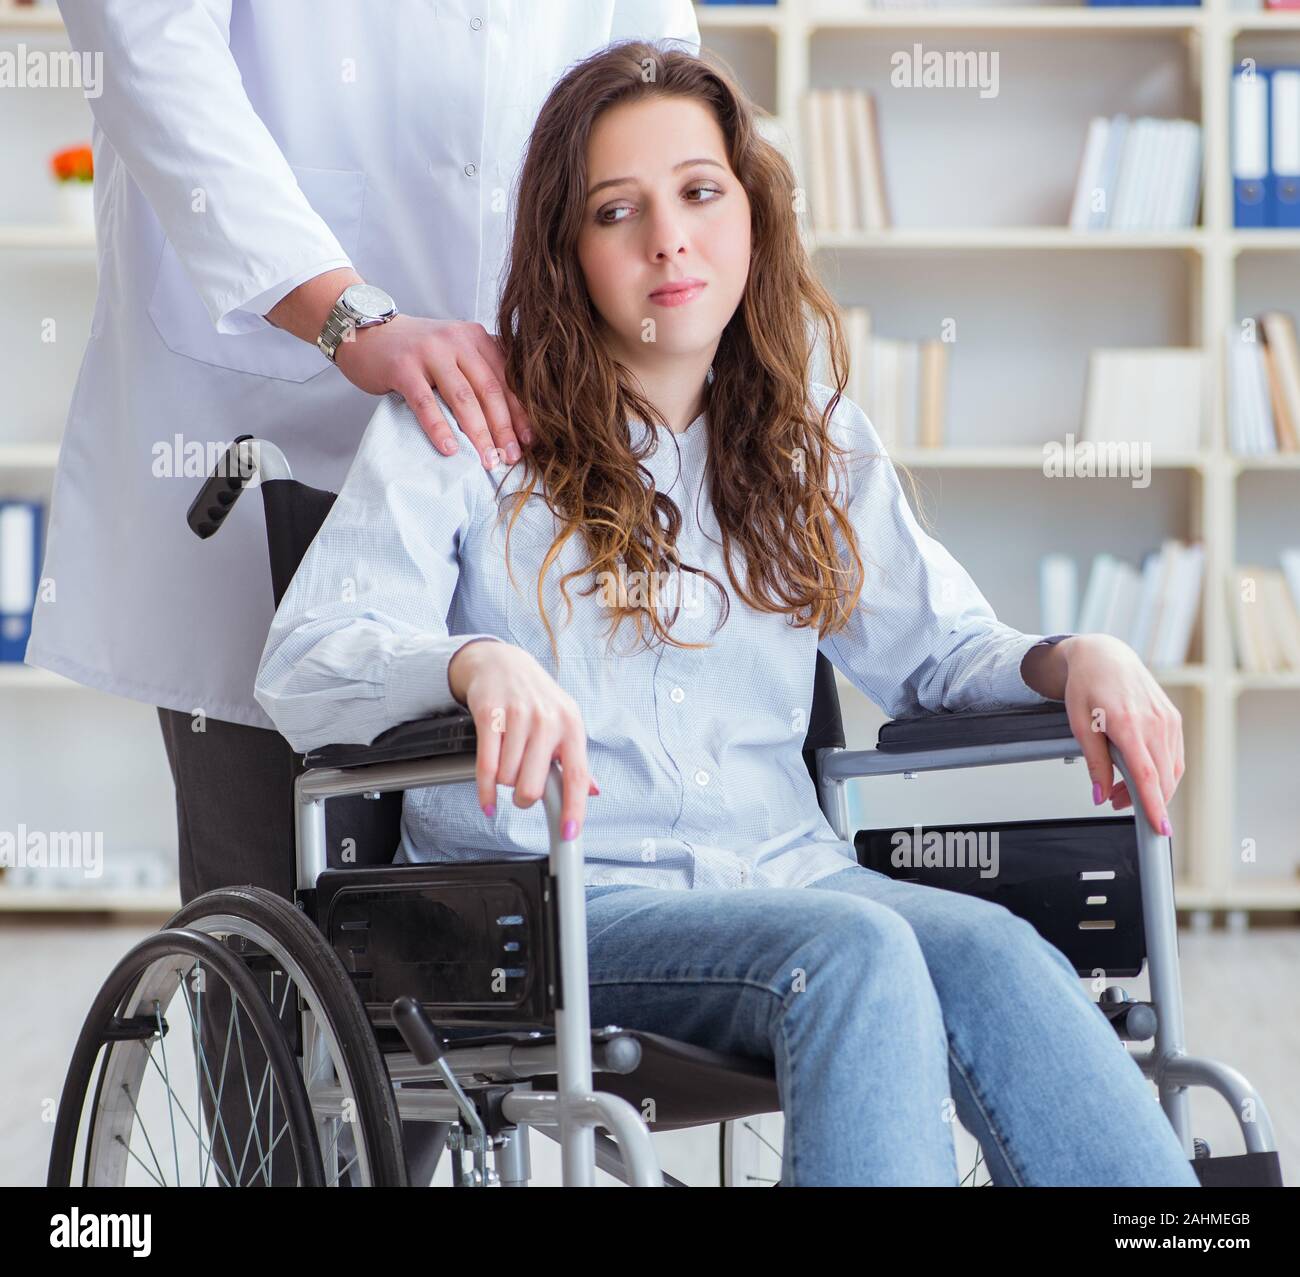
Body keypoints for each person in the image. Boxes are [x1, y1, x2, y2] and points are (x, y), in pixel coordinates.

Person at [254, 41, 1196, 1185]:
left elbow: (936, 649)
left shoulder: (814, 438)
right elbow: (306, 663)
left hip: (790, 876)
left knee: (997, 952)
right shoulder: (467, 427)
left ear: (750, 211)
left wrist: (1070, 657)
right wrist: (469, 662)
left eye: (700, 191)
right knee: (856, 951)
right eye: (617, 210)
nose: (669, 238)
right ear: (567, 248)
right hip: (560, 904)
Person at [33, 0, 699, 1185]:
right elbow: (145, 45)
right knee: (283, 962)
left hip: (521, 438)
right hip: (270, 424)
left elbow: (653, 82)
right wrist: (344, 311)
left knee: (459, 959)